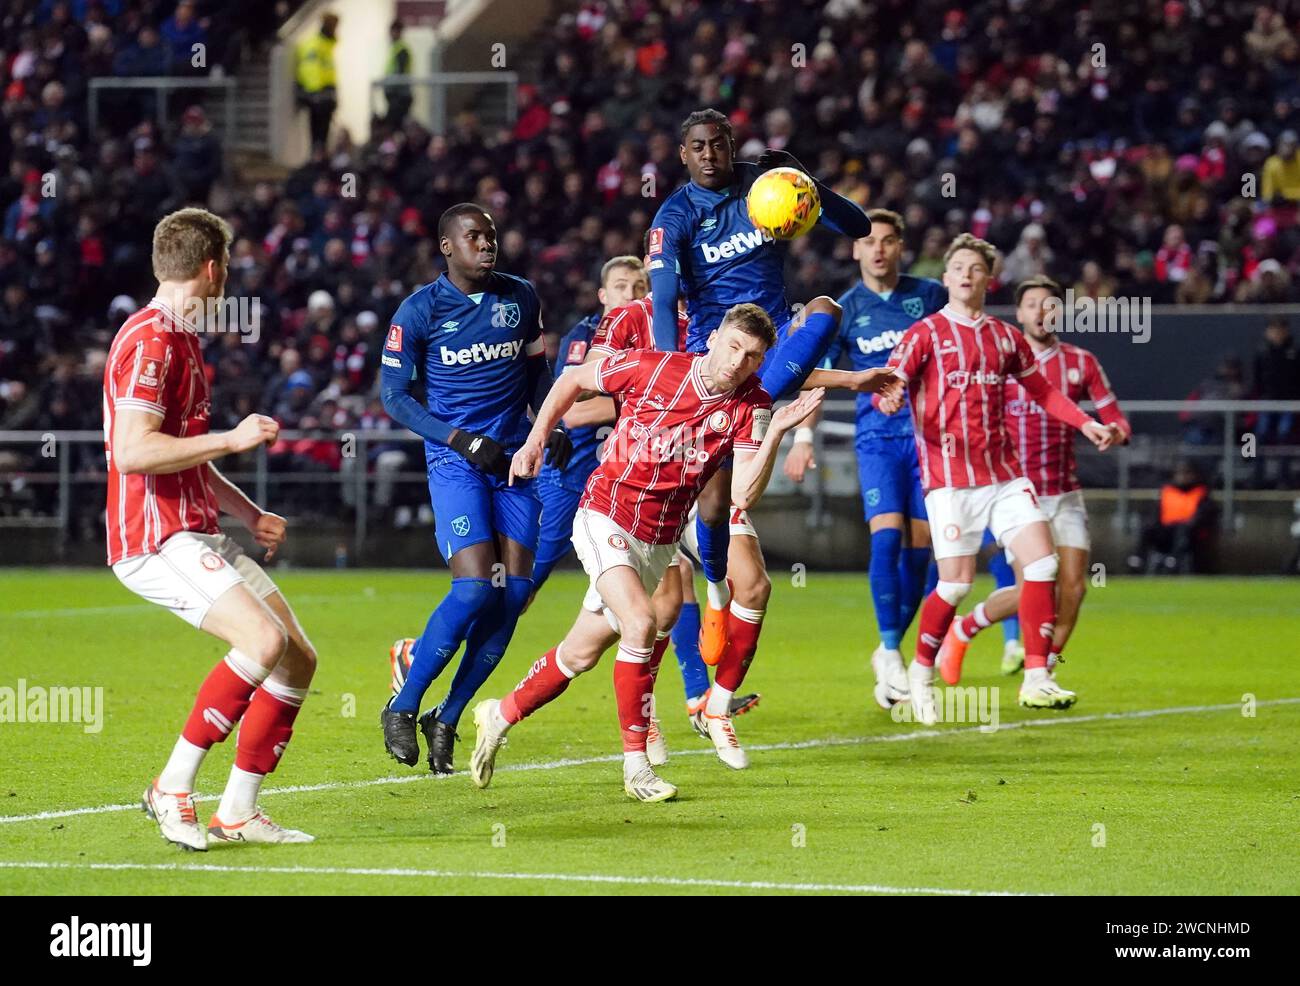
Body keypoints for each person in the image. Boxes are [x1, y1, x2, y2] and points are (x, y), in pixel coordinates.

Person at [469, 304, 829, 801]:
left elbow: (741, 493)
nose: (737, 362)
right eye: (732, 347)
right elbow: (574, 378)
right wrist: (534, 441)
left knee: (580, 653)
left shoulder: (753, 405)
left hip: (658, 539)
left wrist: (776, 436)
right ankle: (638, 766)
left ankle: (500, 714)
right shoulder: (653, 366)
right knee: (641, 623)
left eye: (751, 356)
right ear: (715, 339)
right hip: (605, 514)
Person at [645, 108, 878, 701]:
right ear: (683, 154)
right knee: (716, 507)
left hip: (768, 352)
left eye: (718, 145)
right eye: (697, 146)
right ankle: (718, 592)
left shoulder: (765, 187)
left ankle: (757, 403)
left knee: (826, 308)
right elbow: (665, 297)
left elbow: (859, 227)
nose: (708, 155)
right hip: (712, 360)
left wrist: (807, 182)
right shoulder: (674, 216)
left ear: (731, 146)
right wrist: (675, 376)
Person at [107, 207, 316, 849]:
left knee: (297, 658)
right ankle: (170, 787)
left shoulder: (184, 339)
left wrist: (248, 512)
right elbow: (133, 452)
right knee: (259, 640)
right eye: (227, 265)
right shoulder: (151, 340)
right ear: (211, 267)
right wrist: (230, 439)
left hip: (195, 526)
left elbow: (186, 451)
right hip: (154, 537)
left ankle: (239, 811)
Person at [878, 234, 1119, 719]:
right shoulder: (924, 333)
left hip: (1006, 476)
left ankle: (1036, 677)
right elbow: (894, 378)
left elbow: (1045, 394)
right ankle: (922, 670)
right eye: (959, 267)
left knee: (1043, 566)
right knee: (956, 585)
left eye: (976, 268)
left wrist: (1087, 422)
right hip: (950, 481)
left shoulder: (1005, 338)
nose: (967, 274)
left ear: (989, 279)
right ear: (946, 278)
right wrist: (891, 396)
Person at [379, 203, 572, 775]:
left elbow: (539, 373)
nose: (487, 244)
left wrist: (549, 425)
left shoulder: (522, 297)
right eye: (474, 237)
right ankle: (403, 703)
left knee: (511, 598)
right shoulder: (418, 312)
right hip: (457, 463)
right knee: (472, 592)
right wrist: (461, 441)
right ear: (447, 246)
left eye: (491, 235)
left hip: (515, 459)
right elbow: (394, 397)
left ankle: (448, 716)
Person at [783, 208, 947, 710]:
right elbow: (820, 376)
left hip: (929, 438)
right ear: (855, 249)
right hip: (878, 438)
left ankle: (888, 649)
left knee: (924, 550)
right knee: (888, 534)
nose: (879, 249)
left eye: (889, 241)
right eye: (869, 241)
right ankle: (894, 649)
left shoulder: (931, 297)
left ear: (901, 247)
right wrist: (803, 440)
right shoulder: (844, 309)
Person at [936, 275, 1132, 684]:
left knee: (1074, 589)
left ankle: (1045, 669)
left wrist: (1114, 431)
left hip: (1065, 491)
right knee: (1034, 586)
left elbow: (1115, 417)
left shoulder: (1081, 362)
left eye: (1049, 304)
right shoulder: (1000, 362)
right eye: (1032, 305)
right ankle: (965, 628)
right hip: (1018, 493)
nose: (1042, 312)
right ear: (1020, 313)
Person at [1127, 461, 1217, 574]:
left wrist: (1190, 524)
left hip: (1190, 533)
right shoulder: (1167, 491)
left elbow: (1203, 514)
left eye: (1187, 474)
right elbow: (1156, 513)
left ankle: (1174, 559)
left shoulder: (1201, 493)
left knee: (1182, 530)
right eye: (1180, 474)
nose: (1183, 477)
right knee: (1148, 528)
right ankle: (1138, 558)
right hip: (1166, 531)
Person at [296, 13, 339, 150]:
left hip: (325, 95)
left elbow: (328, 72)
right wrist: (316, 95)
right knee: (317, 133)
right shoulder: (315, 45)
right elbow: (310, 70)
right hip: (318, 96)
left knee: (323, 134)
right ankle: (316, 161)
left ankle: (320, 159)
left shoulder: (327, 45)